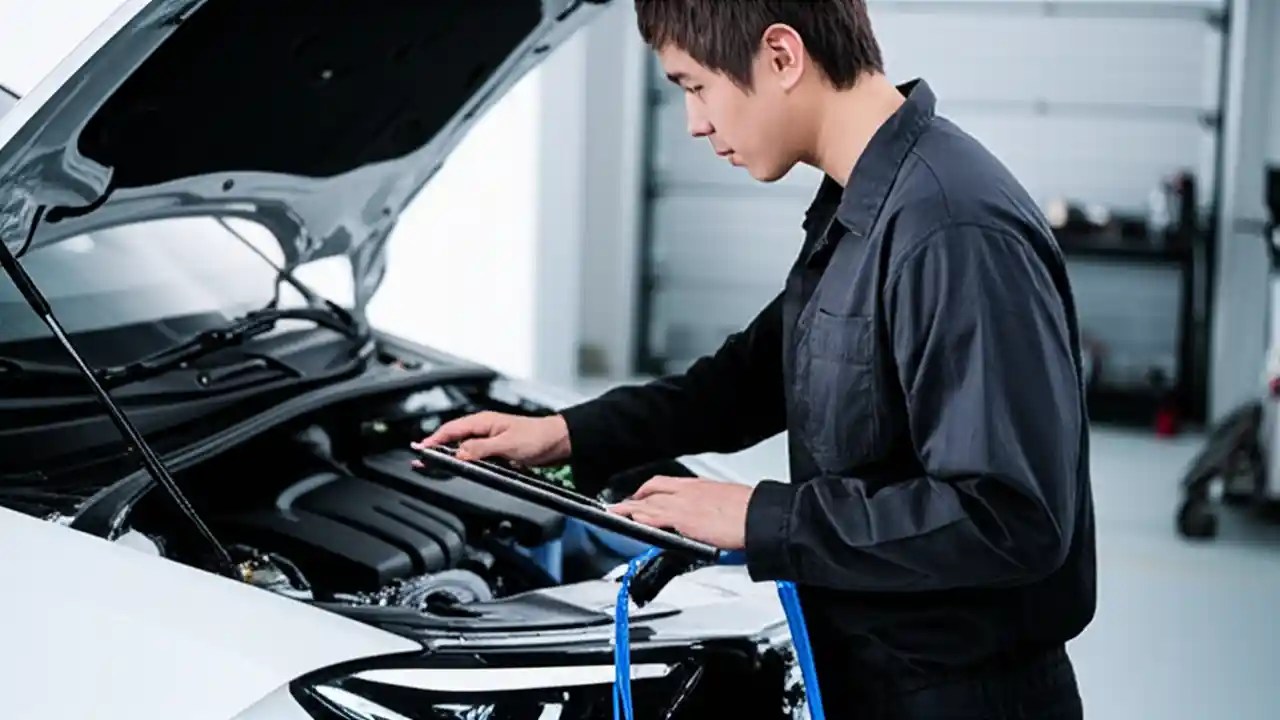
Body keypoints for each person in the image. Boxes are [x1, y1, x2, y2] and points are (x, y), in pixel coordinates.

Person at [416, 0, 1095, 716]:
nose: (695, 122)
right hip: (874, 675)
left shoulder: (950, 227)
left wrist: (758, 517)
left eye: (695, 85)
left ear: (781, 56)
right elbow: (747, 379)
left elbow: (1010, 518)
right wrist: (562, 434)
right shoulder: (863, 206)